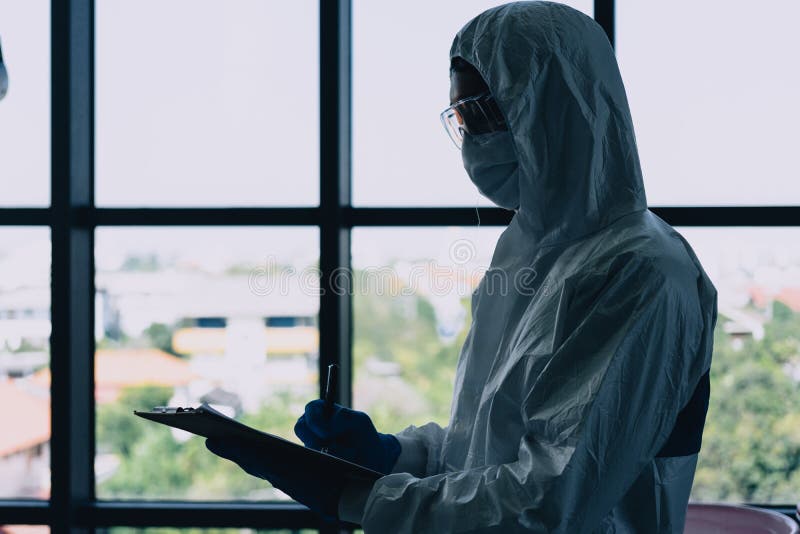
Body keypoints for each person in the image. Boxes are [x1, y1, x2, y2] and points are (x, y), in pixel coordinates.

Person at [206, 1, 717, 532]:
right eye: (462, 117)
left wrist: (360, 497)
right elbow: (480, 449)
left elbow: (548, 505)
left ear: (557, 106)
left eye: (484, 113)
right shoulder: (526, 249)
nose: (473, 140)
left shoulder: (643, 272)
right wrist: (392, 455)